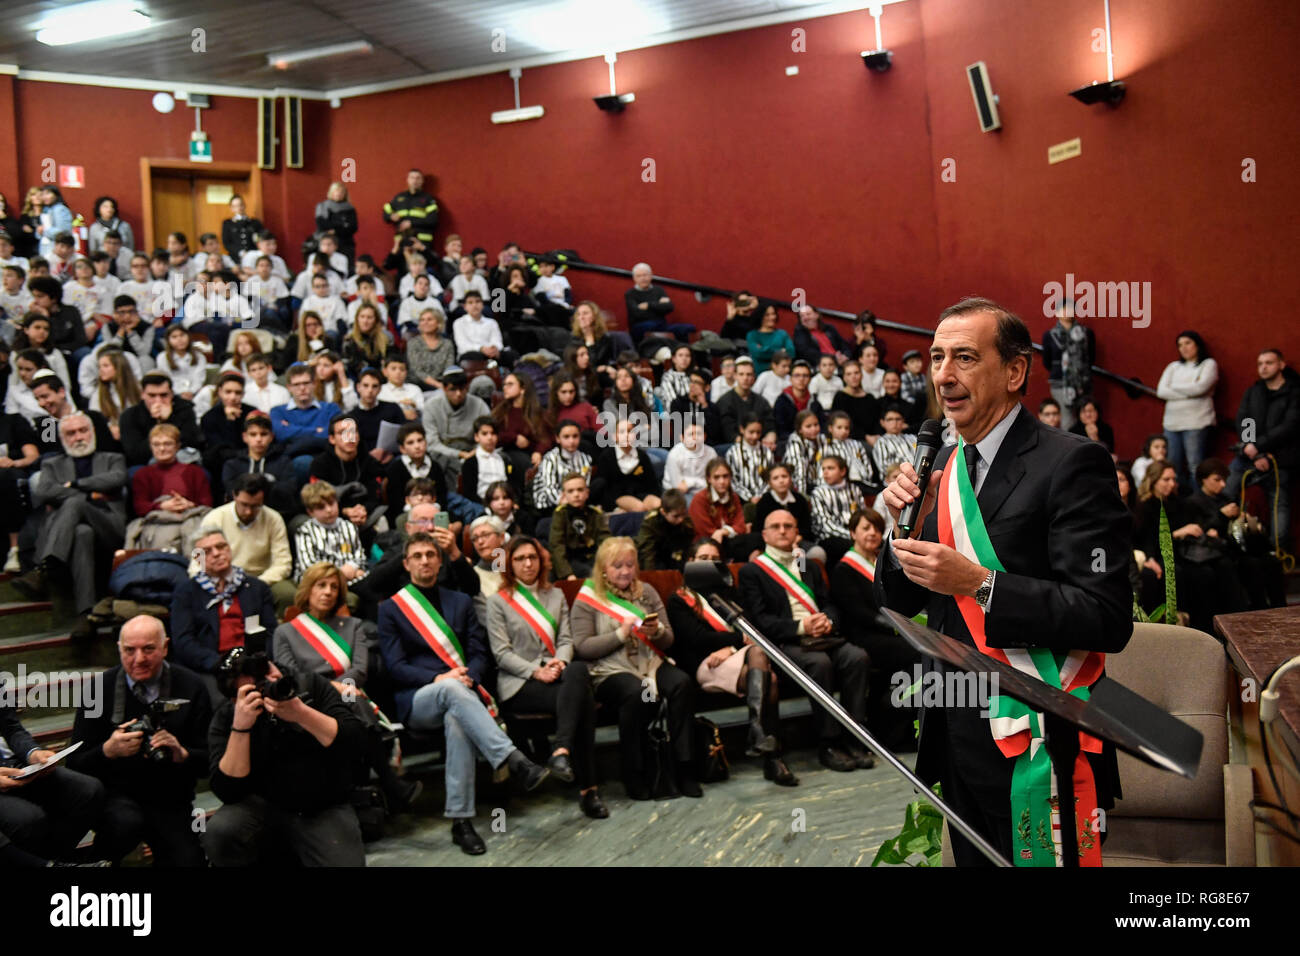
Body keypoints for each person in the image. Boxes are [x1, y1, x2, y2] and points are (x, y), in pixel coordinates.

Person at [875, 296, 1133, 867]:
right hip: (955, 736)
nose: (943, 375)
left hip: (1043, 741)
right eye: (938, 357)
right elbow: (899, 598)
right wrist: (897, 537)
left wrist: (980, 583)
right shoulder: (938, 464)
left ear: (1015, 371)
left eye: (965, 357)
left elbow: (1107, 616)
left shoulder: (1073, 463)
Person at [377, 532, 550, 855]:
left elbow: (479, 653)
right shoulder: (392, 609)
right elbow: (395, 666)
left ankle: (461, 821)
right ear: (406, 563)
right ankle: (512, 758)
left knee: (458, 721)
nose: (425, 560)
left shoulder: (460, 601)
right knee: (451, 690)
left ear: (440, 561)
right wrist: (440, 676)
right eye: (418, 556)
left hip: (462, 694)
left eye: (431, 554)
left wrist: (467, 677)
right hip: (418, 699)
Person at [272, 563, 420, 814]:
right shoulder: (285, 632)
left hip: (350, 691)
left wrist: (341, 688)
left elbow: (360, 669)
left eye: (334, 587)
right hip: (309, 701)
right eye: (321, 585)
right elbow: (291, 676)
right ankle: (390, 783)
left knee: (352, 697)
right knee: (352, 700)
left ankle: (369, 792)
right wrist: (332, 688)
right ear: (308, 589)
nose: (328, 592)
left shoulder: (353, 625)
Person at [204, 643, 367, 866]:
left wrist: (302, 714)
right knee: (220, 830)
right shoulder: (227, 716)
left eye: (270, 671)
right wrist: (241, 728)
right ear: (236, 699)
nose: (272, 682)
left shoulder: (309, 684)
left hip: (321, 804)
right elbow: (227, 790)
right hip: (262, 805)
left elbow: (355, 743)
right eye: (259, 686)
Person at [68, 615, 210, 866]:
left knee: (189, 860)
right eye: (129, 650)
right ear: (119, 649)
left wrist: (182, 754)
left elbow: (210, 762)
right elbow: (74, 764)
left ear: (165, 646)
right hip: (115, 798)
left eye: (148, 649)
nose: (139, 659)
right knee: (125, 824)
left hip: (171, 799)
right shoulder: (99, 689)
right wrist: (108, 751)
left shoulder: (192, 686)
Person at [739, 508, 873, 774]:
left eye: (788, 525)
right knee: (819, 664)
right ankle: (829, 743)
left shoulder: (808, 565)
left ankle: (854, 735)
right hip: (787, 644)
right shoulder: (752, 572)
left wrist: (828, 621)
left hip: (823, 638)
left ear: (796, 532)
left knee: (857, 657)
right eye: (775, 526)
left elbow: (829, 604)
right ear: (764, 534)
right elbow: (761, 621)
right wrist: (802, 626)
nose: (782, 530)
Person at [487, 535, 608, 818]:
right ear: (509, 564)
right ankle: (588, 789)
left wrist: (560, 662)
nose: (528, 564)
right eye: (519, 559)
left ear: (541, 561)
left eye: (533, 557)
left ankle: (561, 751)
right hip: (520, 684)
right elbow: (501, 654)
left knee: (577, 671)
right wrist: (536, 671)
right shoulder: (498, 602)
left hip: (558, 675)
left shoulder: (555, 595)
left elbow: (566, 639)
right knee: (582, 700)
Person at [570, 537, 700, 798]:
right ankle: (636, 773)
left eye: (630, 565)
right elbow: (582, 646)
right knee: (637, 693)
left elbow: (669, 638)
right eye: (618, 565)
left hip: (649, 663)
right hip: (608, 670)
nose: (626, 571)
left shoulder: (647, 591)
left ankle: (684, 769)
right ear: (603, 568)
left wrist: (657, 631)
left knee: (681, 683)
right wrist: (620, 634)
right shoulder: (588, 597)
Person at [666, 537, 797, 785]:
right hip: (706, 665)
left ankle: (760, 737)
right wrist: (733, 643)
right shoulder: (680, 599)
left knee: (767, 674)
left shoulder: (728, 593)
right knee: (769, 677)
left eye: (714, 559)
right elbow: (697, 639)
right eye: (703, 559)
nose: (709, 564)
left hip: (739, 657)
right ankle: (771, 755)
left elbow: (753, 631)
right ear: (690, 563)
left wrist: (731, 646)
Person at [13, 412, 126, 638]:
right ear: (63, 438)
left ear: (92, 432)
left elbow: (116, 478)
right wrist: (92, 494)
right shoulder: (52, 464)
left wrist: (73, 485)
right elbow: (44, 490)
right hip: (74, 534)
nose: (78, 437)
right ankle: (85, 615)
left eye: (83, 430)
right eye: (71, 433)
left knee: (74, 502)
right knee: (82, 532)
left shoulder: (112, 458)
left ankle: (43, 570)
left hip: (108, 527)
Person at [829, 509, 920, 751]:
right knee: (915, 653)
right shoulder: (843, 569)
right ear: (852, 533)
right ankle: (897, 733)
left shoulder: (881, 560)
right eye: (865, 528)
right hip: (864, 636)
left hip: (889, 631)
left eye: (877, 529)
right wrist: (896, 627)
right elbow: (857, 612)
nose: (873, 533)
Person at [170, 529, 278, 705]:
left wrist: (257, 660)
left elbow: (271, 633)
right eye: (206, 551)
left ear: (229, 549)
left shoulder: (257, 588)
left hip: (254, 662)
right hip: (211, 667)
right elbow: (184, 642)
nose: (216, 553)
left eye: (221, 546)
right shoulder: (186, 593)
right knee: (222, 704)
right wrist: (221, 663)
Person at [0, 699, 106, 867]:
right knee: (27, 818)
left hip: (11, 766)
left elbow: (11, 727)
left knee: (88, 791)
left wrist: (33, 753)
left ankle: (56, 861)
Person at [1227, 347, 1298, 551]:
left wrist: (1260, 447)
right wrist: (1254, 450)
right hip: (1249, 455)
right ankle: (1229, 545)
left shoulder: (1293, 393)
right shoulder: (1254, 391)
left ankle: (1278, 554)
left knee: (1279, 506)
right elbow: (1244, 419)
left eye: (1269, 363)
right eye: (1260, 364)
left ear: (1281, 365)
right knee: (1227, 490)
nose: (1263, 368)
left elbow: (1290, 426)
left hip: (1281, 459)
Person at [200, 472, 296, 614]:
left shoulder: (273, 519)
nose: (248, 511)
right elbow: (198, 561)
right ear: (234, 495)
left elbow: (283, 562)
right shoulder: (215, 518)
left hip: (261, 578)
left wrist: (258, 583)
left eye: (256, 506)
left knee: (287, 594)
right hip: (223, 579)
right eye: (244, 504)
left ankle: (278, 634)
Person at [1156, 330, 1219, 486]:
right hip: (1172, 424)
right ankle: (1176, 504)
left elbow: (1201, 388)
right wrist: (1190, 389)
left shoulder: (1208, 364)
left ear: (1197, 344)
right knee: (1172, 466)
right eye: (1180, 345)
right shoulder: (1173, 367)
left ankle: (1196, 506)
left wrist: (1174, 387)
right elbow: (1161, 391)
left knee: (1195, 466)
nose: (1183, 348)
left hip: (1196, 423)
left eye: (1188, 343)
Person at [221, 411, 299, 517]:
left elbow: (288, 491)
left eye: (263, 434)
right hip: (241, 516)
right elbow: (232, 492)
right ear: (245, 437)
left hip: (279, 514)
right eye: (253, 434)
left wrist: (253, 485)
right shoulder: (232, 465)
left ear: (271, 436)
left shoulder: (283, 462)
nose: (258, 439)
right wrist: (269, 483)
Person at [119, 371, 202, 468]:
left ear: (171, 394)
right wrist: (159, 424)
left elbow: (192, 442)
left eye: (163, 395)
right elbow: (135, 454)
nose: (158, 401)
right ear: (143, 394)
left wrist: (169, 420)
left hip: (180, 461)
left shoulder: (185, 409)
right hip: (145, 465)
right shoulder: (130, 415)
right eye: (152, 395)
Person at [309, 414, 384, 518]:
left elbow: (375, 496)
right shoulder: (320, 464)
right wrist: (345, 511)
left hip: (364, 514)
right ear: (332, 439)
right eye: (342, 433)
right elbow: (318, 499)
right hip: (332, 515)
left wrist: (362, 511)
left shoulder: (370, 463)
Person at [130, 423, 212, 519]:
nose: (162, 449)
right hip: (157, 520)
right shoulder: (142, 474)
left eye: (167, 444)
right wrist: (161, 506)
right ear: (150, 447)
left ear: (177, 446)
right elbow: (140, 507)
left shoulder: (195, 472)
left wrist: (189, 504)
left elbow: (207, 504)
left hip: (191, 517)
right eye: (156, 444)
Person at [423, 366, 490, 480]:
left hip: (473, 451)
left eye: (462, 389)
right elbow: (432, 443)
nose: (458, 394)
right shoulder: (431, 406)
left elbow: (489, 433)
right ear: (444, 389)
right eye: (453, 389)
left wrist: (477, 451)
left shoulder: (479, 405)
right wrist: (459, 454)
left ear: (467, 388)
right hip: (443, 452)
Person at [295, 480, 368, 586]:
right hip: (318, 582)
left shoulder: (349, 527)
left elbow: (360, 556)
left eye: (331, 503)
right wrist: (341, 573)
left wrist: (354, 567)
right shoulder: (305, 532)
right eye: (321, 507)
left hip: (350, 577)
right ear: (310, 512)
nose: (329, 510)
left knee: (370, 580)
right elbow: (309, 567)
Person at [689, 458, 760, 561]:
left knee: (758, 538)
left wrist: (723, 531)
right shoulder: (700, 499)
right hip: (707, 544)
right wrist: (729, 531)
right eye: (716, 477)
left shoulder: (734, 497)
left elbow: (740, 526)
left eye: (725, 476)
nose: (722, 481)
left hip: (729, 541)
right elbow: (706, 532)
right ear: (709, 479)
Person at [271, 362, 341, 466]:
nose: (302, 388)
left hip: (328, 461)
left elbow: (334, 437)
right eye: (296, 384)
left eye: (306, 383)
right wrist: (317, 430)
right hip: (289, 464)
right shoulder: (278, 412)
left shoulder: (331, 409)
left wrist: (292, 429)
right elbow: (281, 434)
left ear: (314, 384)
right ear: (289, 387)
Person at [1040, 303, 1095, 430]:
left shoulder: (1087, 334)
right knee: (1067, 421)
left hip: (1083, 383)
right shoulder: (1050, 335)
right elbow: (1047, 361)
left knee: (1086, 416)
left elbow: (1091, 358)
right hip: (1060, 383)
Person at [591, 417, 661, 513]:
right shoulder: (607, 457)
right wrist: (614, 506)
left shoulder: (642, 456)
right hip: (618, 497)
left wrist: (653, 498)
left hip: (642, 494)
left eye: (630, 431)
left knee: (658, 504)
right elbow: (603, 486)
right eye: (622, 432)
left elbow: (652, 483)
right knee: (639, 508)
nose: (627, 435)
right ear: (615, 436)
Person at [549, 473, 610, 580]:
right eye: (571, 491)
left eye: (580, 490)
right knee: (589, 573)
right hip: (571, 560)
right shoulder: (561, 514)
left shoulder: (595, 514)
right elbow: (557, 546)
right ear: (564, 495)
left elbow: (605, 541)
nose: (576, 494)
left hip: (593, 557)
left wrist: (608, 565)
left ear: (587, 493)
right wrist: (567, 574)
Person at [810, 454, 866, 565]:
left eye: (830, 468)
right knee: (850, 546)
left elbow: (863, 515)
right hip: (829, 537)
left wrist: (861, 533)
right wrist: (854, 536)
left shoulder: (854, 489)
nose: (825, 472)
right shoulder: (818, 493)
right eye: (823, 469)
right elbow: (826, 526)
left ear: (842, 471)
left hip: (855, 534)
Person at [534, 419, 593, 511]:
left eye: (575, 436)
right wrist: (565, 503)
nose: (571, 441)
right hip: (550, 504)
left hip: (577, 501)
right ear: (558, 439)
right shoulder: (550, 459)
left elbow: (585, 485)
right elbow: (549, 488)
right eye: (566, 437)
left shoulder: (585, 459)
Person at [625, 262, 693, 341]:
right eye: (639, 276)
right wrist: (659, 307)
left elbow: (670, 307)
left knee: (688, 328)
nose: (643, 278)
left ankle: (681, 351)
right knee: (653, 325)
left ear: (651, 275)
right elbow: (636, 314)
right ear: (634, 278)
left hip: (661, 325)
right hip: (640, 327)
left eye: (645, 275)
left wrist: (648, 305)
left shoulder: (659, 290)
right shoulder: (630, 294)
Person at [634, 488, 696, 570]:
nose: (681, 519)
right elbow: (647, 554)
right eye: (676, 516)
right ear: (663, 512)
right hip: (655, 557)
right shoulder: (651, 523)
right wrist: (651, 577)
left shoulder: (686, 522)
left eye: (683, 514)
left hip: (675, 557)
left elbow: (687, 548)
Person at [717, 357, 774, 441]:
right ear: (735, 376)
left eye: (749, 374)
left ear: (754, 377)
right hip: (734, 445)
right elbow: (727, 431)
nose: (745, 378)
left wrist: (771, 436)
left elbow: (770, 424)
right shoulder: (725, 401)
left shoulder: (762, 401)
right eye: (741, 374)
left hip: (759, 444)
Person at [382, 168, 440, 245]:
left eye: (418, 178)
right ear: (407, 180)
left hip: (422, 242)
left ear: (422, 181)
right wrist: (390, 216)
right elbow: (386, 210)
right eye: (412, 177)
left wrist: (411, 223)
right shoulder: (399, 197)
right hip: (401, 241)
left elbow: (432, 220)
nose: (415, 181)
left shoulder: (428, 199)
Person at [663, 420, 716, 500]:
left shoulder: (711, 453)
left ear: (705, 436)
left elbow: (715, 482)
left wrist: (690, 482)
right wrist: (703, 483)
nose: (695, 438)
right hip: (675, 493)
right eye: (691, 434)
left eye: (699, 434)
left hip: (703, 490)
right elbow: (679, 487)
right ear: (682, 438)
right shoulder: (674, 454)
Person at [406, 307, 456, 391]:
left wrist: (444, 384)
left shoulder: (447, 344)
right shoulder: (413, 343)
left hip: (442, 382)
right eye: (422, 320)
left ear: (438, 323)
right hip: (418, 384)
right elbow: (417, 371)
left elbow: (449, 369)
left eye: (429, 319)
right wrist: (438, 385)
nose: (425, 322)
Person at [773, 359, 825, 439]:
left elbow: (822, 427)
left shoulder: (814, 402)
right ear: (790, 379)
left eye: (805, 376)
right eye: (797, 375)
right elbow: (780, 430)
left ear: (810, 379)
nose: (801, 379)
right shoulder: (782, 401)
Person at [783, 409, 829, 495]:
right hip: (797, 485)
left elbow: (824, 465)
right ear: (799, 429)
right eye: (808, 426)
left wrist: (823, 490)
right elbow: (799, 473)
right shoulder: (795, 444)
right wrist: (802, 496)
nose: (814, 429)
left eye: (816, 425)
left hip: (818, 483)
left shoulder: (822, 440)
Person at [314, 183, 358, 263]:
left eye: (342, 191)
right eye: (337, 191)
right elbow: (321, 223)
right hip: (326, 242)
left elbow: (353, 227)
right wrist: (342, 225)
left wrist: (336, 230)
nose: (339, 193)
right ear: (331, 192)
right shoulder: (323, 206)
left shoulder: (350, 208)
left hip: (345, 244)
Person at [746, 304, 796, 374]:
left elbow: (791, 352)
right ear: (760, 316)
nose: (772, 317)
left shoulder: (782, 334)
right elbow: (758, 354)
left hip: (782, 376)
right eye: (767, 315)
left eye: (773, 314)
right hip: (760, 375)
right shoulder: (752, 335)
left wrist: (765, 349)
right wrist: (781, 351)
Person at [221, 194, 263, 263]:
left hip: (254, 257)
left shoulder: (255, 223)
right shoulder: (228, 224)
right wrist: (240, 252)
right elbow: (227, 243)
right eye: (235, 206)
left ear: (244, 205)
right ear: (231, 208)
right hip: (235, 258)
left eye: (241, 205)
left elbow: (260, 239)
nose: (239, 208)